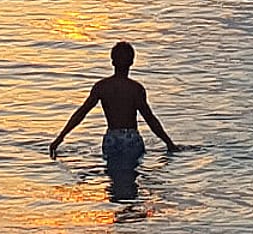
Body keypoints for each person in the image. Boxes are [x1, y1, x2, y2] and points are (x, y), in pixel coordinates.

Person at [49, 41, 177, 165]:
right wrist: (169, 143)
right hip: (131, 139)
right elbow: (150, 119)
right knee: (132, 177)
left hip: (112, 139)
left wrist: (60, 138)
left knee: (113, 177)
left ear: (112, 61)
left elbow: (81, 113)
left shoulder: (101, 87)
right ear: (132, 62)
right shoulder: (136, 89)